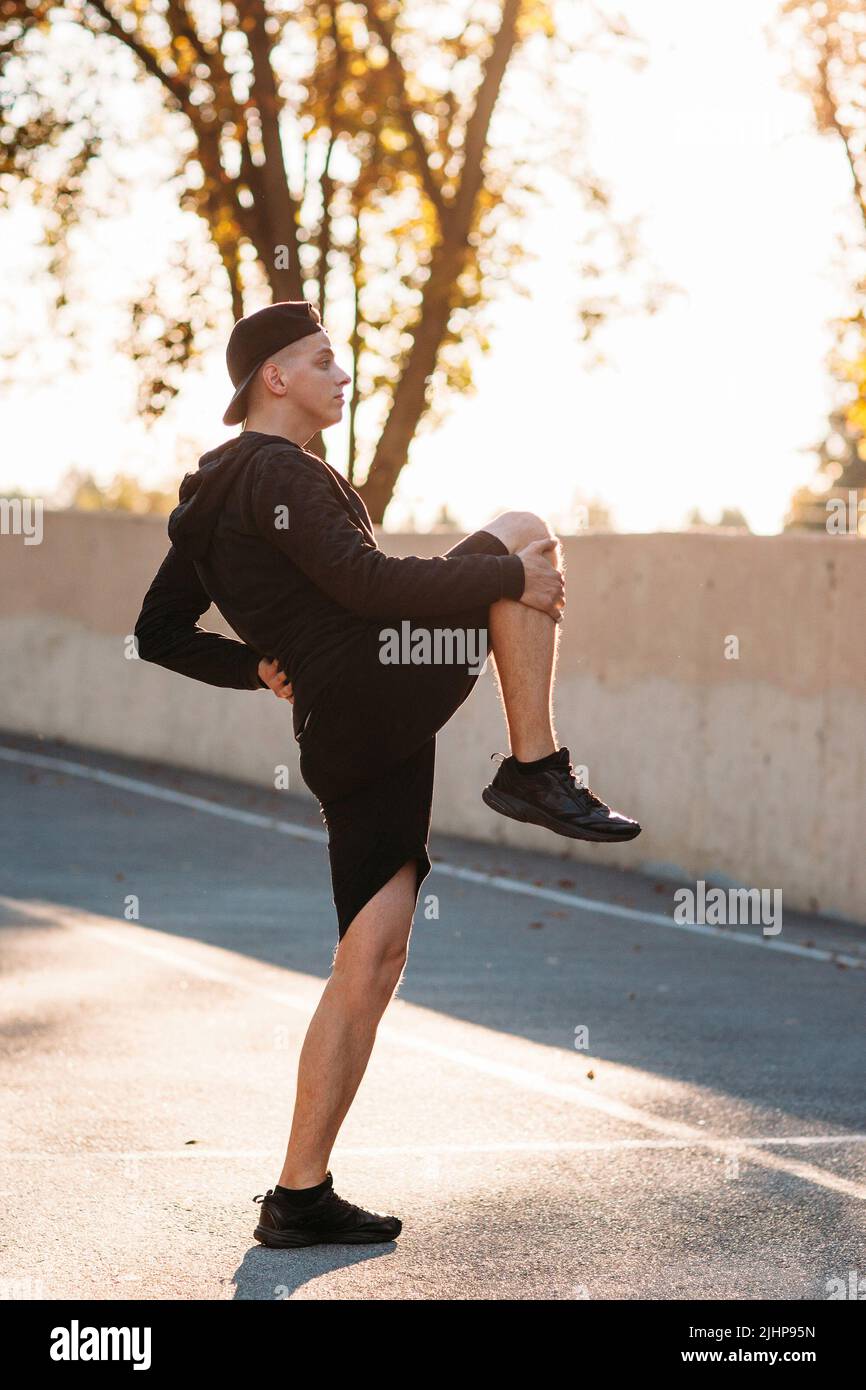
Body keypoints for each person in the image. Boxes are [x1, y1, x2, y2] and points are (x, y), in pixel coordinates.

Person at [133, 300, 641, 1250]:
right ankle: (535, 767)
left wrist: (253, 667)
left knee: (372, 956)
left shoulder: (209, 496)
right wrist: (506, 582)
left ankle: (298, 1195)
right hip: (377, 678)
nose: (342, 373)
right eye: (322, 361)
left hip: (342, 730)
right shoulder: (277, 470)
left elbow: (155, 632)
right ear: (272, 379)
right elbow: (366, 588)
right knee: (524, 532)